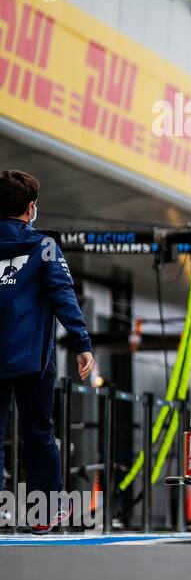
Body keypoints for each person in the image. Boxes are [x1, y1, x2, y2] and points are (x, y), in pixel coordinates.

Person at [0, 171, 95, 533]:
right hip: (33, 359)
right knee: (38, 431)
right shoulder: (46, 245)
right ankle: (44, 514)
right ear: (30, 208)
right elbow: (63, 295)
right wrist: (82, 344)